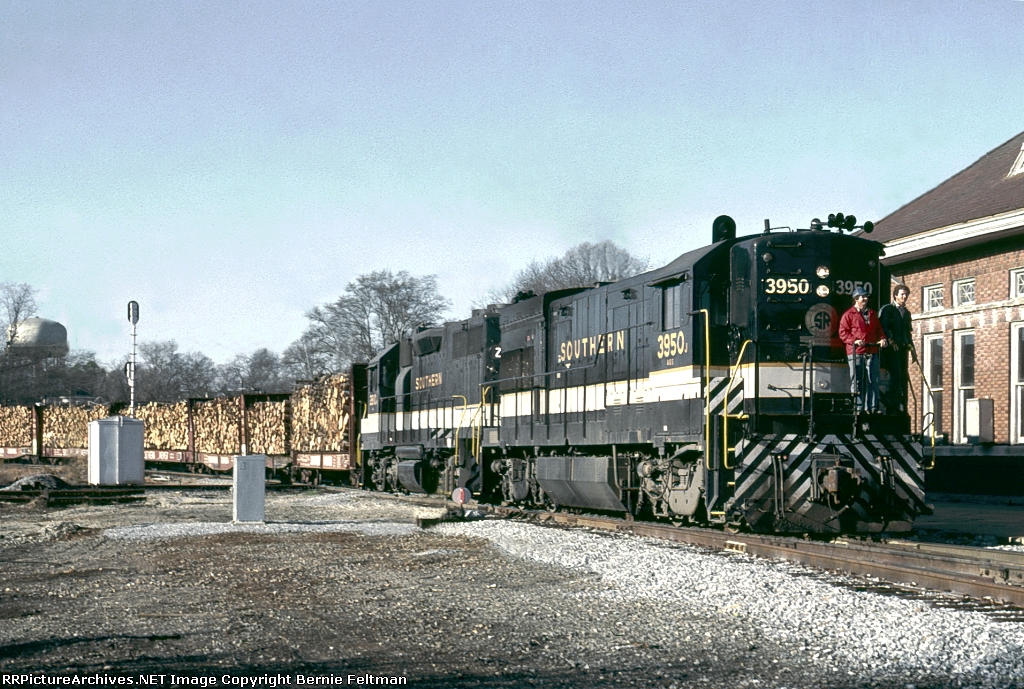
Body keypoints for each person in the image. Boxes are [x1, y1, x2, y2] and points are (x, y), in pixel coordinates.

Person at [839, 287, 887, 413]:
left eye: (866, 297)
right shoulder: (848, 315)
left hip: (871, 351)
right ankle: (858, 407)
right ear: (856, 299)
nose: (865, 299)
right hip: (856, 352)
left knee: (873, 380)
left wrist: (882, 339)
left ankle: (872, 408)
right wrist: (854, 340)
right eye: (862, 297)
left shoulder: (872, 314)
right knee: (857, 380)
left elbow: (879, 330)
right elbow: (842, 333)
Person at [879, 284, 917, 413]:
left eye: (906, 294)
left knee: (902, 377)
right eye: (902, 294)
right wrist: (890, 340)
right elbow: (883, 327)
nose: (904, 297)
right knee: (894, 375)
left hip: (902, 349)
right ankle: (890, 404)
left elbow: (908, 332)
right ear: (895, 295)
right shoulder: (888, 310)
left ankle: (900, 405)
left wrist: (912, 350)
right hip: (890, 349)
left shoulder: (906, 313)